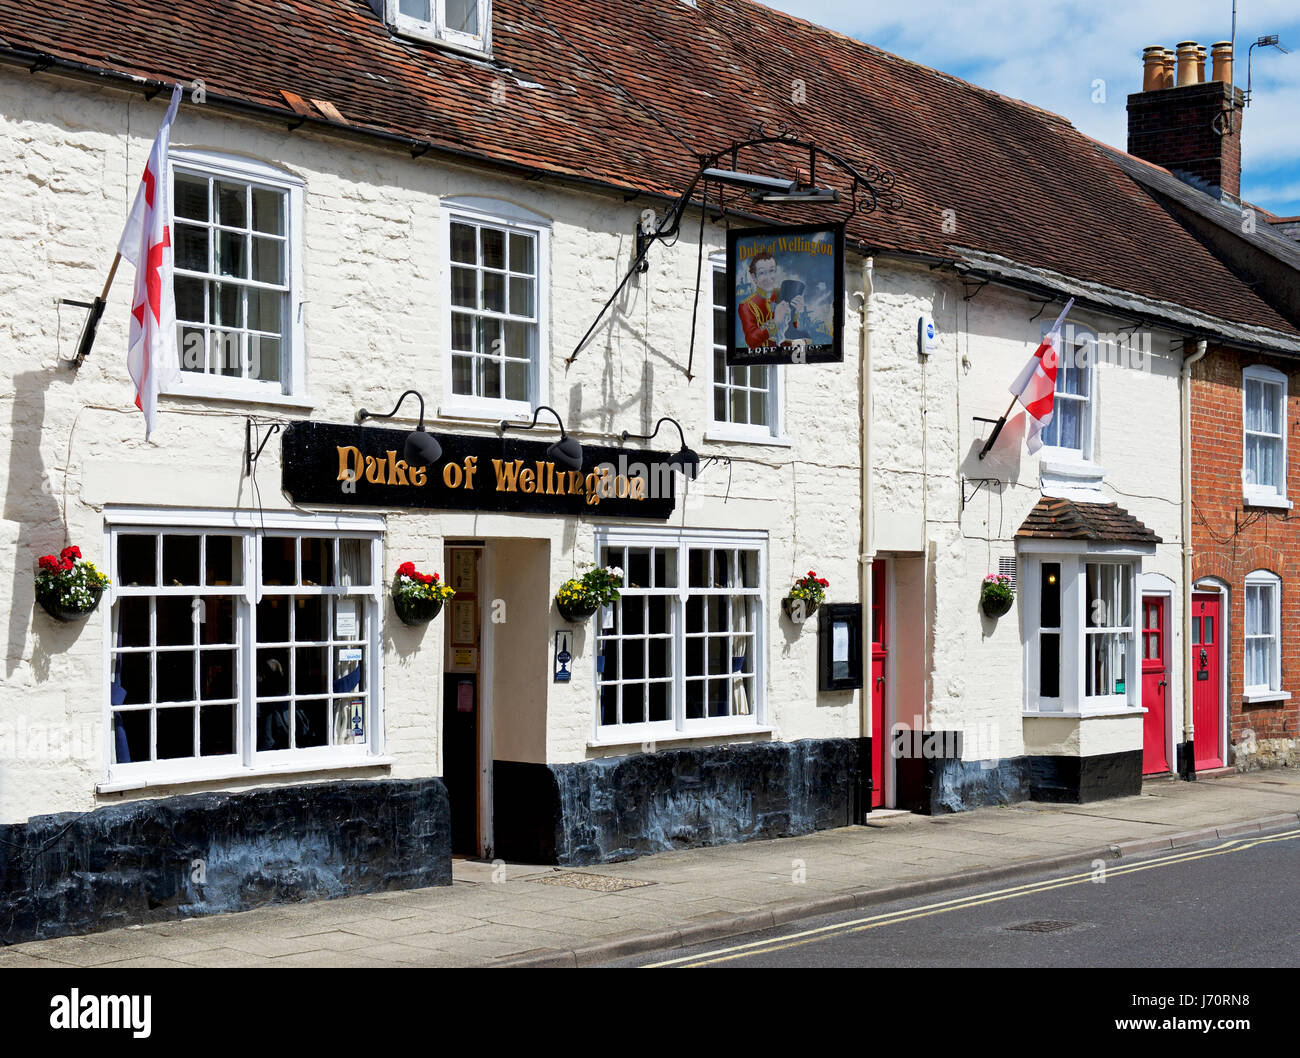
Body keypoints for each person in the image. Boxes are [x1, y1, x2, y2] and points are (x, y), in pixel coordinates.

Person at [738, 253, 806, 350]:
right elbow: (751, 340)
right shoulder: (747, 305)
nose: (768, 277)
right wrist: (775, 322)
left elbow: (791, 333)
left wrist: (796, 312)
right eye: (762, 273)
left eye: (771, 271)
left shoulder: (783, 294)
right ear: (754, 277)